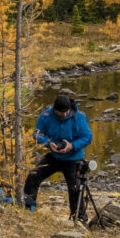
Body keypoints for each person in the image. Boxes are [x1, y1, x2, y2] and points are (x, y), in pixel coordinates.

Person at [23, 94, 92, 222]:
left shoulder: (79, 117)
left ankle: (79, 218)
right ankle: (28, 209)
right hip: (54, 156)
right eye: (61, 113)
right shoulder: (46, 115)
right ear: (55, 110)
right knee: (33, 176)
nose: (64, 114)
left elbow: (88, 137)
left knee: (75, 187)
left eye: (66, 112)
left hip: (73, 157)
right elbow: (37, 133)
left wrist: (72, 145)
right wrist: (48, 143)